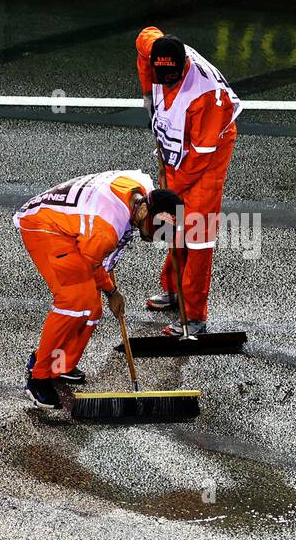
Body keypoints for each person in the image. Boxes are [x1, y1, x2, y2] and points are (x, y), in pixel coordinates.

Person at [15, 171, 182, 409]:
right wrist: (112, 291)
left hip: (71, 226)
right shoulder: (106, 231)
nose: (157, 237)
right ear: (144, 211)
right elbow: (92, 263)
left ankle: (59, 365)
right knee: (74, 304)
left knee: (93, 310)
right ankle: (38, 376)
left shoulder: (141, 188)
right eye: (157, 229)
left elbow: (102, 255)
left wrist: (109, 287)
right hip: (44, 228)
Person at [136, 27, 241, 335]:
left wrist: (171, 191)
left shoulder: (207, 97)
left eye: (173, 78)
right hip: (178, 141)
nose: (166, 82)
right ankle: (173, 289)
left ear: (184, 67)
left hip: (208, 154)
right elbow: (143, 38)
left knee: (197, 230)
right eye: (160, 75)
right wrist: (147, 92)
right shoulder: (155, 49)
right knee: (172, 219)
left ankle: (195, 315)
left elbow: (199, 156)